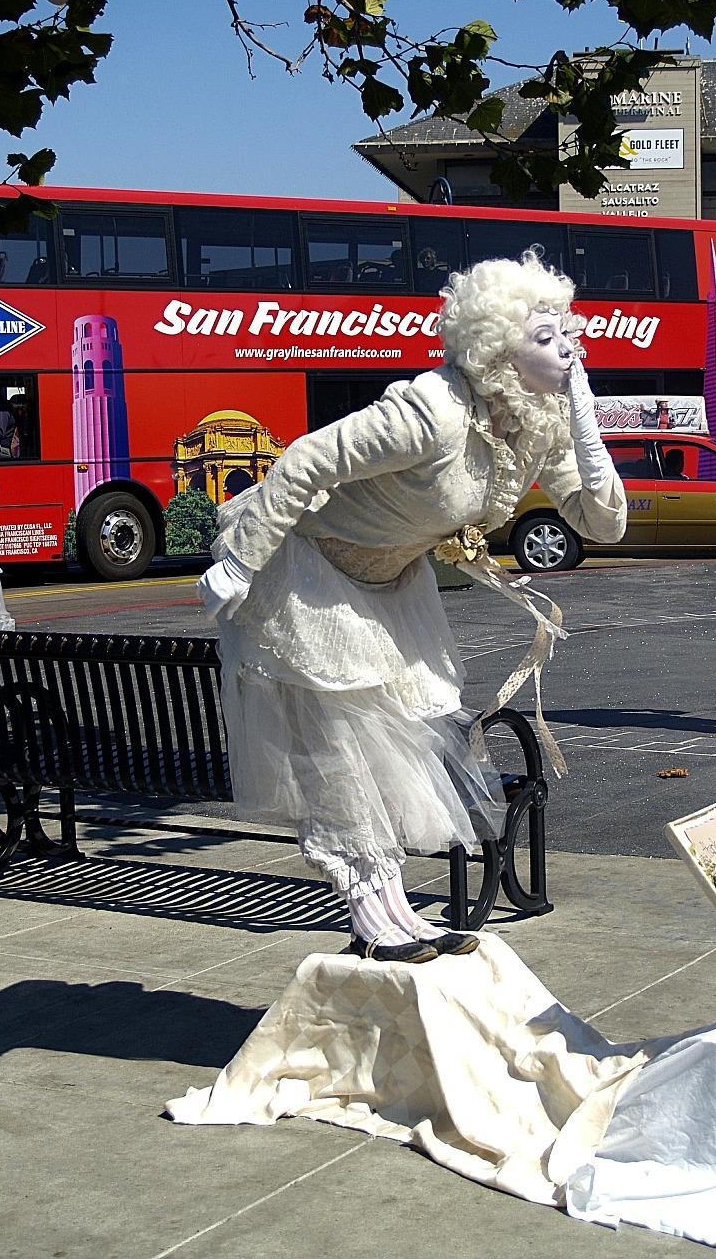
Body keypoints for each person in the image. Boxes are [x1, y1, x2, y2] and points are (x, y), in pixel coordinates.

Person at [198, 252, 627, 963]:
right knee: (344, 750)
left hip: (387, 583)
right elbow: (306, 459)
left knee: (392, 747)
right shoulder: (431, 409)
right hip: (305, 575)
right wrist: (240, 558)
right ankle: (374, 919)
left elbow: (601, 521)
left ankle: (400, 917)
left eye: (565, 332)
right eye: (545, 337)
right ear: (495, 347)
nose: (566, 347)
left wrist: (584, 416)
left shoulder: (536, 418)